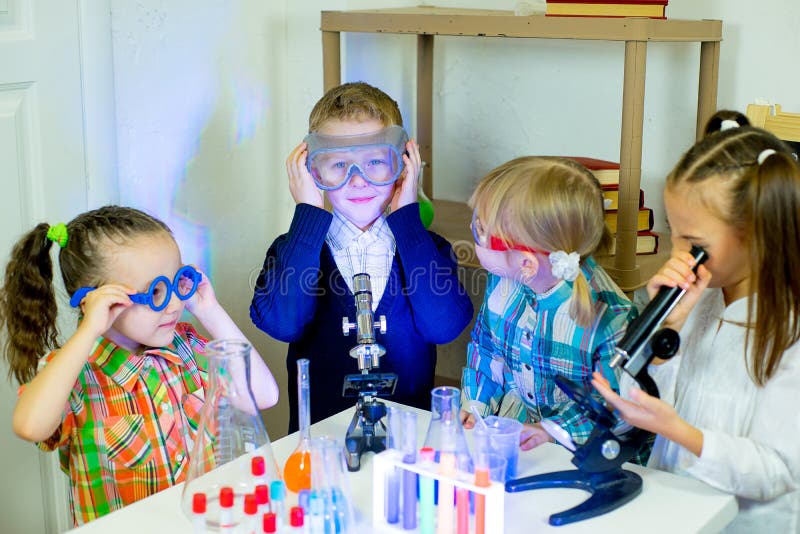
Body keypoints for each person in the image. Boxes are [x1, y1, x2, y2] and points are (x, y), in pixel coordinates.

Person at [0, 206, 278, 525]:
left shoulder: (188, 348)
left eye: (177, 282)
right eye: (156, 292)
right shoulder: (76, 376)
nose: (175, 304)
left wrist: (210, 311)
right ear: (99, 301)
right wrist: (89, 329)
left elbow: (264, 396)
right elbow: (29, 425)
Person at [593, 120, 800, 531]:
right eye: (675, 235)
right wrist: (665, 326)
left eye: (696, 245)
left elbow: (777, 470)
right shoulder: (700, 302)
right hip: (673, 509)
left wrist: (683, 434)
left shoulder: (788, 333)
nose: (678, 254)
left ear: (757, 234)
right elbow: (644, 400)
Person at [250, 82, 473, 431]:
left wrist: (408, 219)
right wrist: (308, 211)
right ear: (311, 169)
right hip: (321, 447)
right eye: (338, 164)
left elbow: (443, 326)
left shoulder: (428, 249)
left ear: (403, 163)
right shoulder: (294, 248)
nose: (357, 180)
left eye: (374, 162)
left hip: (408, 445)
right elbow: (282, 323)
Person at [460, 156, 638, 450]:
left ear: (526, 264)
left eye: (481, 230)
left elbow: (618, 406)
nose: (475, 234)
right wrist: (475, 403)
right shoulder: (502, 283)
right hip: (522, 445)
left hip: (589, 456)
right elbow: (486, 350)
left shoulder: (611, 320)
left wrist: (551, 430)